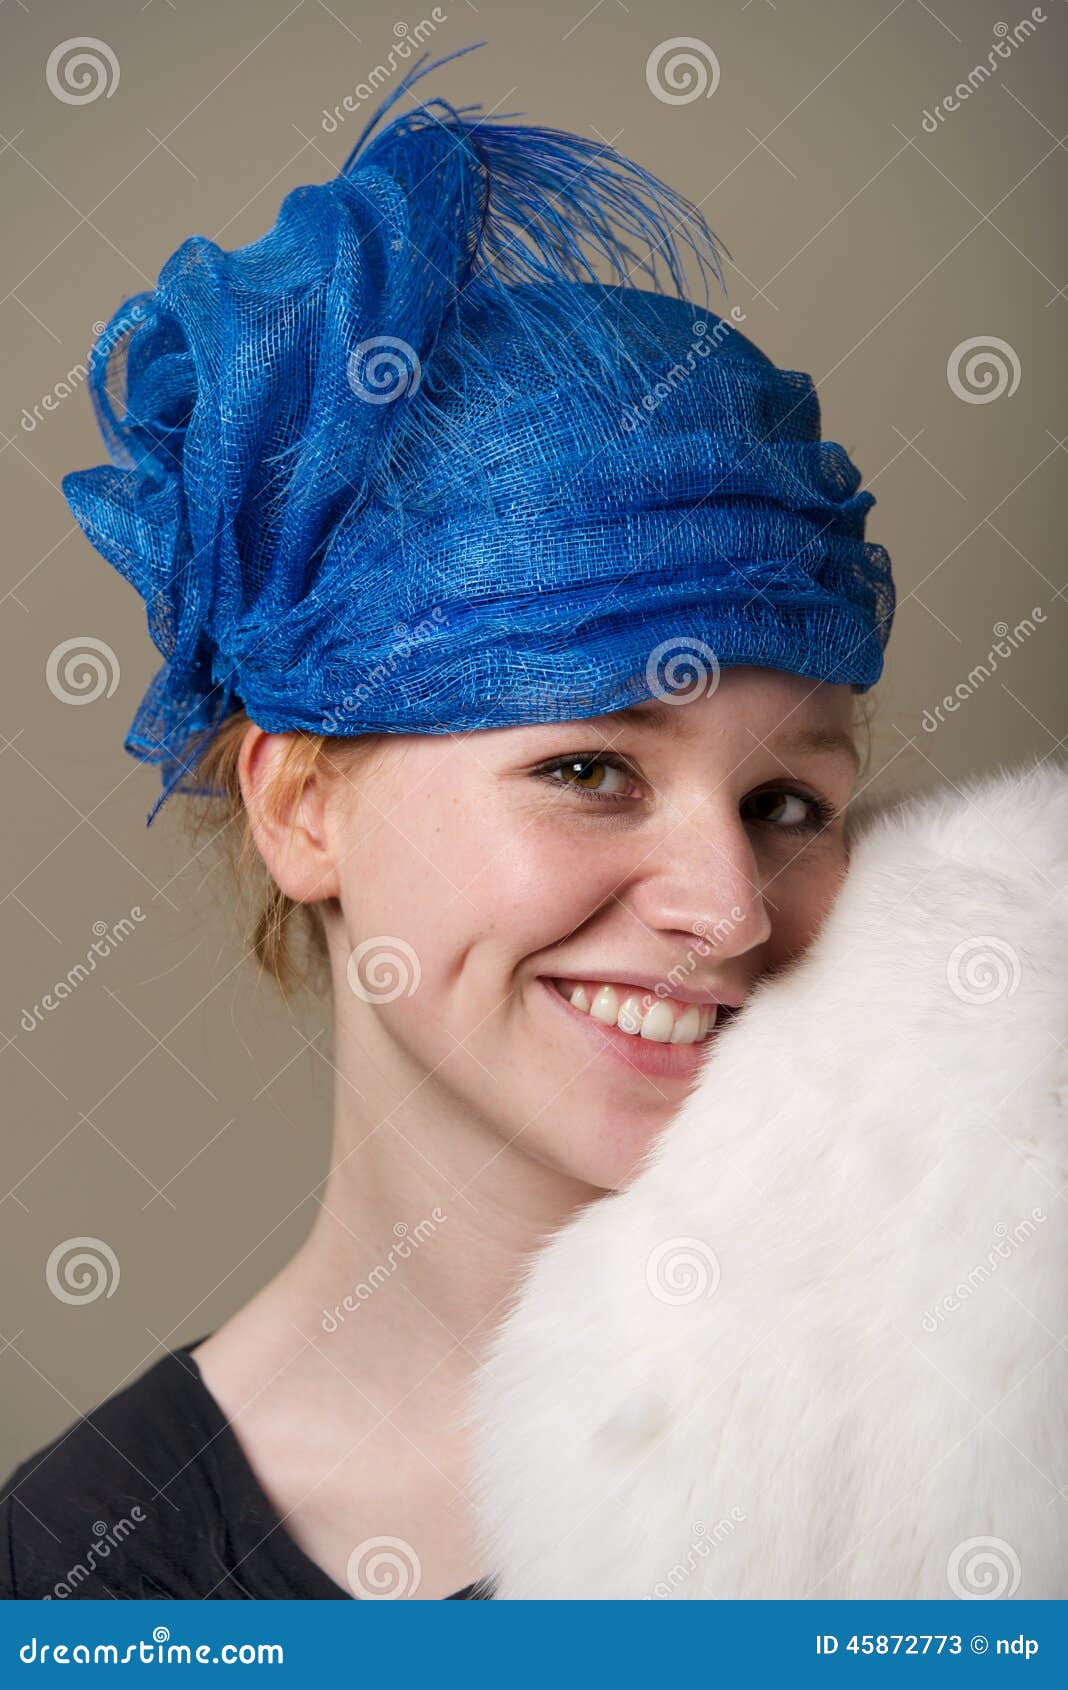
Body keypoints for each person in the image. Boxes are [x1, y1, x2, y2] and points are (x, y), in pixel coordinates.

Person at [0, 46, 894, 1600]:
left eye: (788, 801)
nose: (732, 905)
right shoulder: (80, 1579)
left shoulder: (990, 1454)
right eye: (592, 769)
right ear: (299, 803)